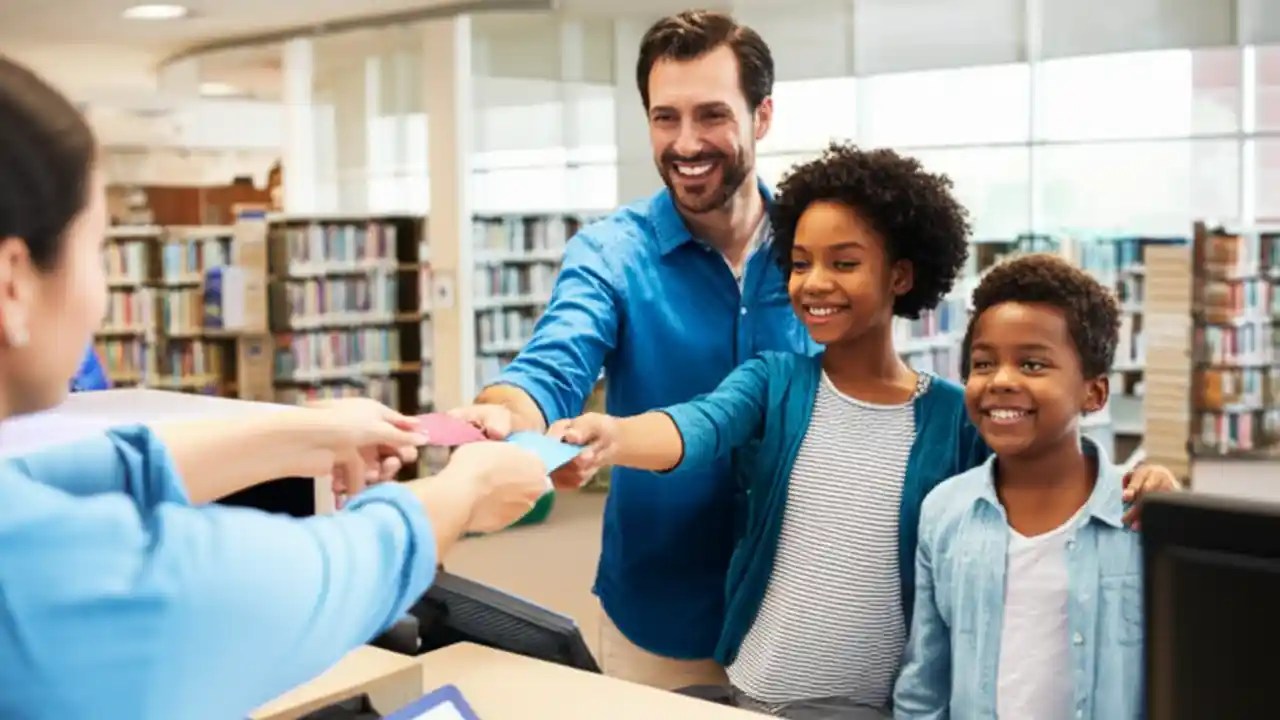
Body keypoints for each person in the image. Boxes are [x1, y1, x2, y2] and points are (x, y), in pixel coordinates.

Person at [0, 55, 551, 720]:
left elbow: (93, 473)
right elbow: (285, 580)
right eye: (97, 249)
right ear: (13, 284)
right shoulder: (46, 574)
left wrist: (312, 431)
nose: (103, 297)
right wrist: (466, 491)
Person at [558, 146, 1177, 718]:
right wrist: (611, 436)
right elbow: (699, 425)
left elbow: (1044, 470)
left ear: (901, 276)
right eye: (800, 263)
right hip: (757, 690)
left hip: (876, 706)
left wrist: (1138, 483)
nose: (815, 282)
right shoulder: (775, 383)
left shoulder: (955, 416)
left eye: (844, 262)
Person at [450, 10, 817, 688]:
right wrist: (507, 417)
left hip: (803, 605)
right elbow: (550, 367)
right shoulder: (611, 253)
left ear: (762, 116)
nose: (686, 143)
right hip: (659, 611)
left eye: (711, 115)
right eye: (664, 117)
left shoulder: (817, 249)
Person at [893, 254, 1145, 719]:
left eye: (1032, 364)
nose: (1001, 381)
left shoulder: (1140, 515)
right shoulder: (944, 513)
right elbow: (925, 679)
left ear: (1094, 393)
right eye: (983, 363)